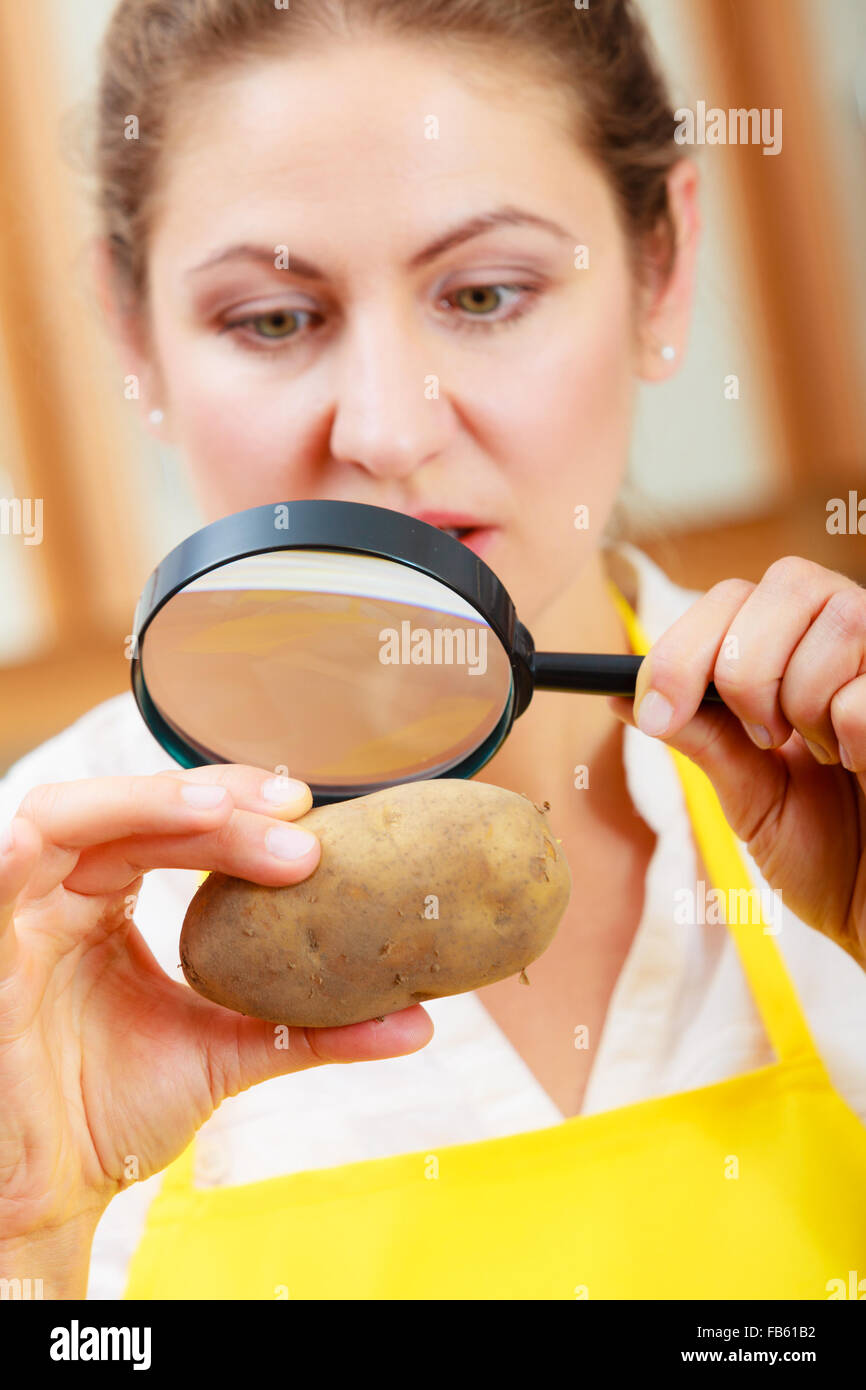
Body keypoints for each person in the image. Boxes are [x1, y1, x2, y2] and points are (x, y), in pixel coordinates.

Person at [1, 0, 865, 1301]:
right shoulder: (30, 923)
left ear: (661, 266)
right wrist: (30, 1245)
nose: (388, 431)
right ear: (134, 338)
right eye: (274, 319)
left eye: (483, 292)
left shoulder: (843, 776)